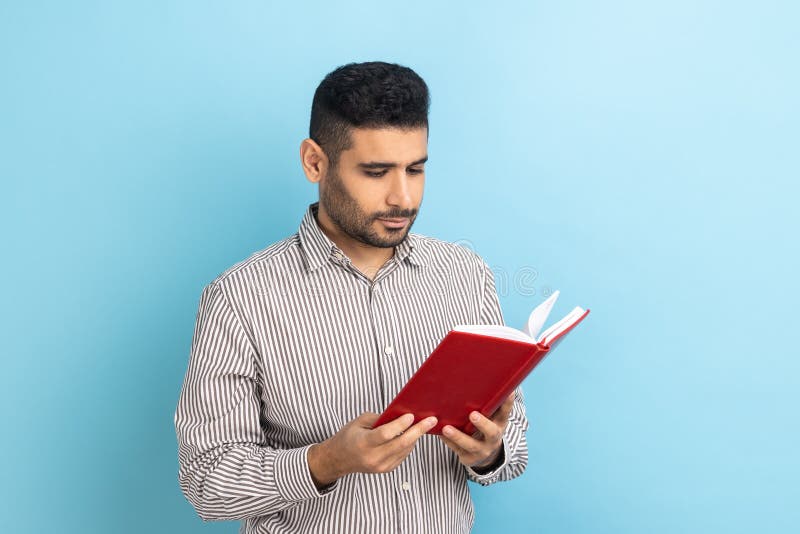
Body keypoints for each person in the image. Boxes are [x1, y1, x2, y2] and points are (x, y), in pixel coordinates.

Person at [174, 61, 529, 534]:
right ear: (314, 162)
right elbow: (205, 482)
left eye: (415, 169)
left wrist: (490, 453)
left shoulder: (464, 275)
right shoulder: (239, 298)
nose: (402, 197)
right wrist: (323, 462)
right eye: (376, 171)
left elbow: (514, 448)